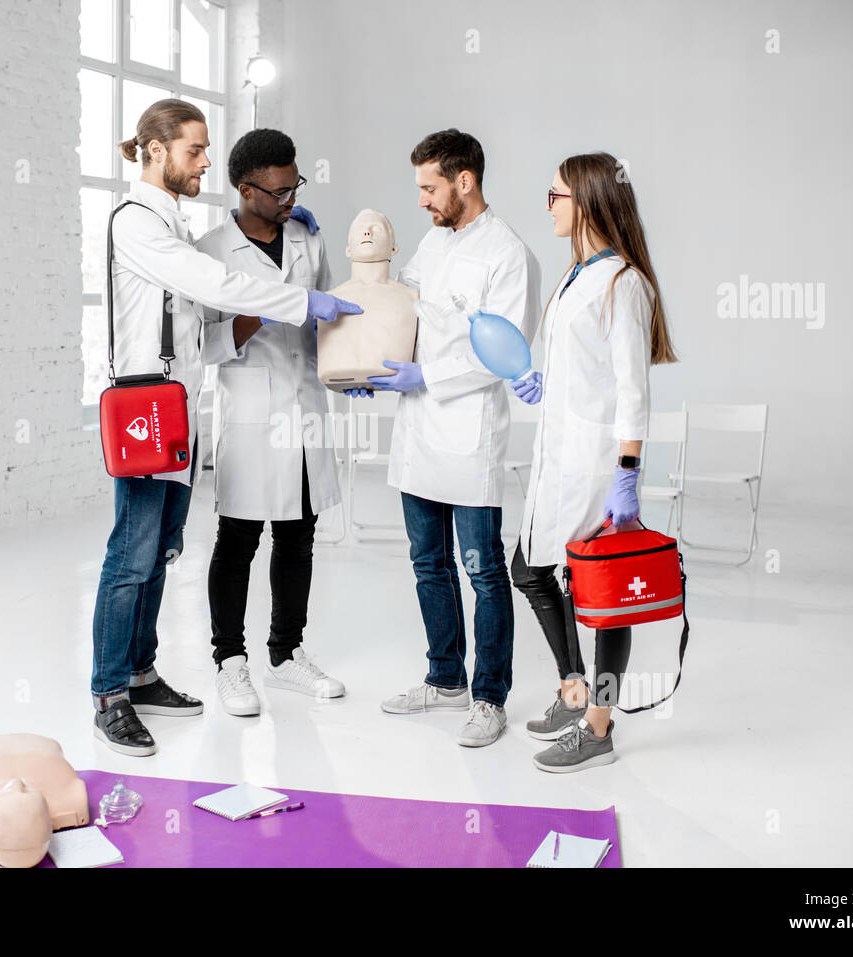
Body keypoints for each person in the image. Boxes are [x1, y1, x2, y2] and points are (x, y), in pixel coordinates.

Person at [91, 100, 361, 756]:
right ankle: (109, 693)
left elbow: (194, 329)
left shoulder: (174, 225)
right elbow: (212, 282)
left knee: (159, 549)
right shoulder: (138, 225)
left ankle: (142, 671)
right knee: (132, 552)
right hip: (146, 408)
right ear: (155, 151)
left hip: (178, 408)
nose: (205, 161)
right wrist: (302, 301)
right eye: (194, 150)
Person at [355, 129, 541, 747]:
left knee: (483, 570)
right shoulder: (434, 244)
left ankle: (489, 696)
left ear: (465, 181)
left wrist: (426, 375)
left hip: (468, 434)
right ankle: (444, 678)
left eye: (429, 188)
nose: (422, 201)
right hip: (417, 431)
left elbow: (504, 356)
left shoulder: (509, 255)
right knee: (427, 563)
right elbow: (396, 308)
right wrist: (366, 365)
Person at [509, 151, 679, 772]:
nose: (547, 206)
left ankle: (599, 727)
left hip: (597, 467)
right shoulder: (576, 274)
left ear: (587, 202)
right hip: (557, 459)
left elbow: (633, 390)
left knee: (604, 599)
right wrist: (542, 383)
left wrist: (627, 477)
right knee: (529, 569)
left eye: (555, 196)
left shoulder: (623, 282)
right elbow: (586, 374)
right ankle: (573, 688)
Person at [195, 128, 346, 715]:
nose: (289, 200)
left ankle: (285, 656)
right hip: (250, 409)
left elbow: (326, 311)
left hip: (304, 404)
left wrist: (349, 365)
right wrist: (267, 306)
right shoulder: (209, 252)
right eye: (279, 192)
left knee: (299, 536)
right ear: (245, 188)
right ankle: (230, 662)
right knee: (238, 539)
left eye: (294, 188)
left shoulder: (307, 234)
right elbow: (203, 344)